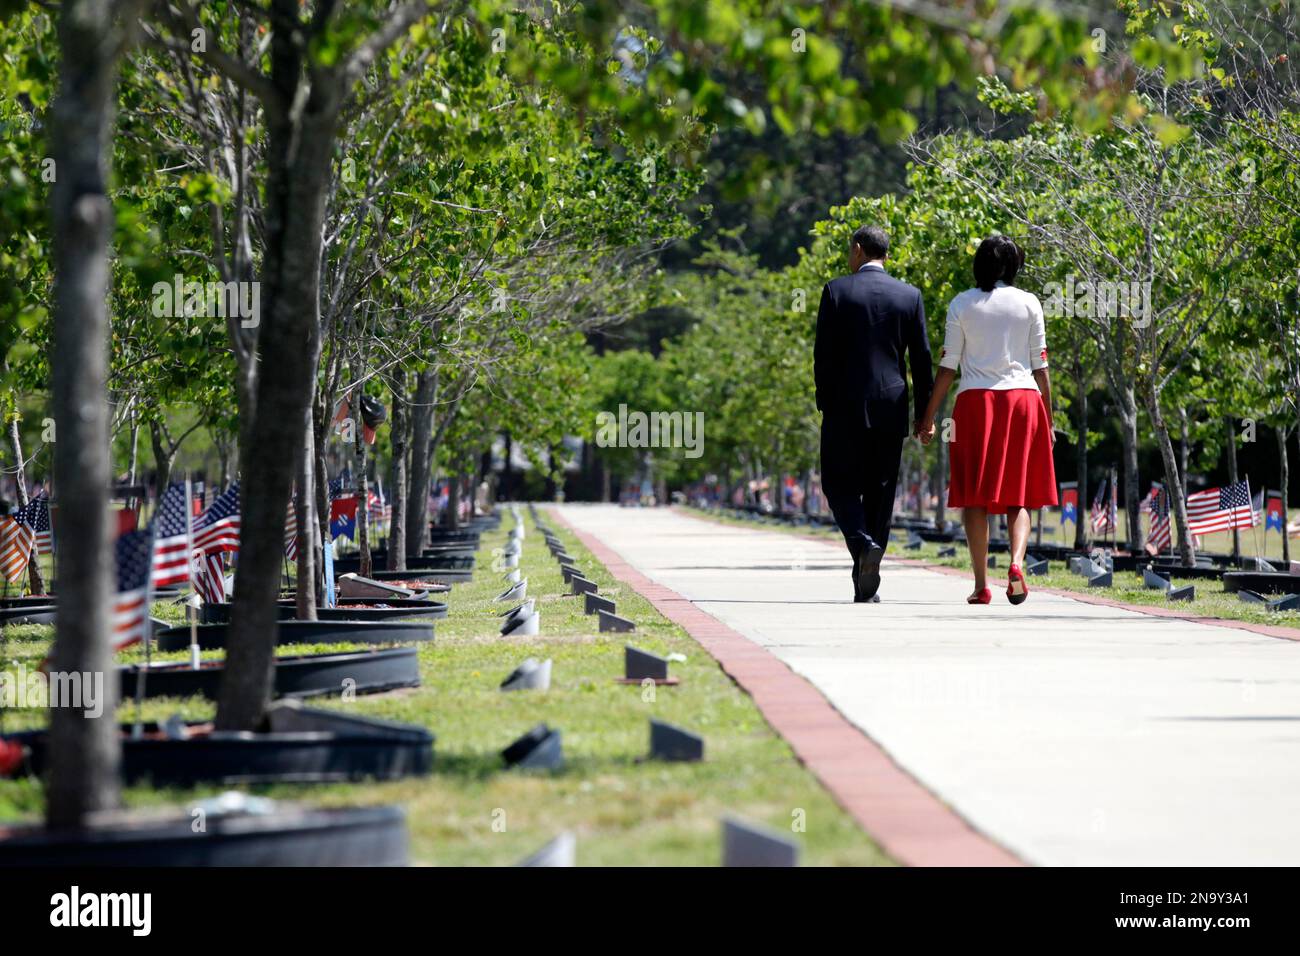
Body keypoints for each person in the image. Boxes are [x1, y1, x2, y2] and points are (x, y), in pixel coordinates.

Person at [915, 236, 1057, 605]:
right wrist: (1049, 419)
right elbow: (1041, 367)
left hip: (975, 405)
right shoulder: (1029, 303)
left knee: (973, 495)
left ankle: (981, 585)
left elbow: (947, 368)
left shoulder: (962, 303)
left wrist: (927, 418)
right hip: (1024, 401)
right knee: (1019, 494)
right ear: (1013, 266)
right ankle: (1016, 563)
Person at [814, 225, 934, 602]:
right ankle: (867, 575)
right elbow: (922, 360)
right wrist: (925, 415)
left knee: (837, 484)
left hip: (844, 406)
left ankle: (863, 544)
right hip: (891, 405)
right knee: (881, 492)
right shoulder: (910, 295)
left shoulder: (836, 290)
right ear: (886, 254)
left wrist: (825, 401)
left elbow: (823, 355)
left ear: (858, 249)